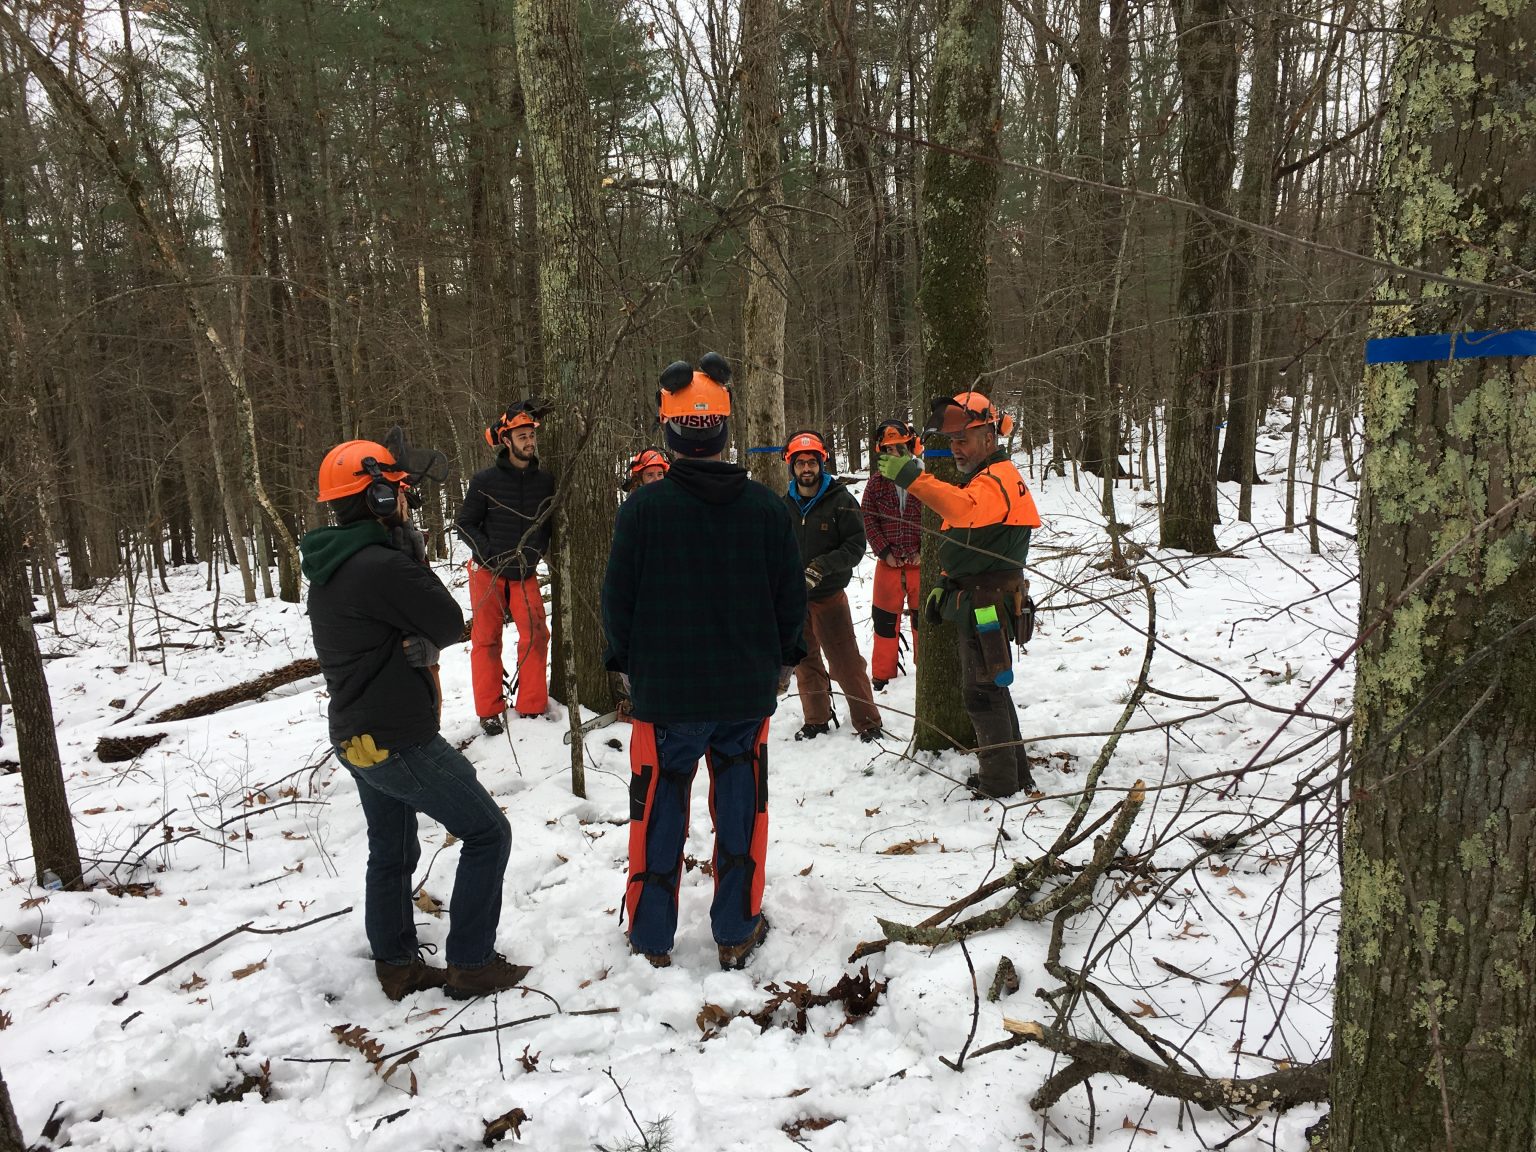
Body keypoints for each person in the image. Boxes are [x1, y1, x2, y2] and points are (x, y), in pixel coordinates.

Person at [302, 437, 528, 1001]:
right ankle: (472, 962)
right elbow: (452, 622)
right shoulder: (381, 565)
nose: (407, 503)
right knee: (487, 832)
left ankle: (397, 965)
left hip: (356, 736)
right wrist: (410, 557)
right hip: (398, 738)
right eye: (400, 493)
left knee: (394, 851)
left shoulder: (333, 563)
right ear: (379, 498)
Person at [602, 353, 806, 971]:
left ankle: (652, 934)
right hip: (742, 694)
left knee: (659, 807)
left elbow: (619, 601)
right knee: (741, 804)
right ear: (725, 427)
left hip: (668, 698)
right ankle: (735, 928)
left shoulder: (643, 511)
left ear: (668, 430)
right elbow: (789, 599)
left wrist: (626, 666)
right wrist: (784, 660)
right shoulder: (768, 510)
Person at [876, 391, 1041, 798]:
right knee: (992, 688)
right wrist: (946, 581)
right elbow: (972, 536)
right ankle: (1013, 774)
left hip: (987, 604)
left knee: (983, 693)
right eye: (951, 442)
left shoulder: (996, 480)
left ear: (989, 436)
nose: (956, 449)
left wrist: (912, 478)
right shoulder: (987, 479)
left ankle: (1000, 783)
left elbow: (963, 511)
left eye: (963, 440)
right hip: (978, 599)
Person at [456, 401, 555, 735]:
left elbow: (548, 524)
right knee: (486, 640)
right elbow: (465, 522)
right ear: (507, 441)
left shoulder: (545, 481)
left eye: (531, 436)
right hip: (487, 571)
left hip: (524, 571)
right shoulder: (485, 481)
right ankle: (489, 710)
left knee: (537, 634)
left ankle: (531, 706)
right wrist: (488, 554)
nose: (529, 442)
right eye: (522, 436)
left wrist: (536, 550)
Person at [782, 430, 885, 743]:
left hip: (828, 597)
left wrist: (821, 567)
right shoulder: (783, 503)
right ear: (792, 466)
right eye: (800, 463)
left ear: (821, 462)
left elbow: (855, 546)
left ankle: (868, 723)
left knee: (845, 662)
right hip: (795, 599)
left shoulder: (842, 500)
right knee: (805, 662)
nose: (806, 469)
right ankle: (816, 719)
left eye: (811, 462)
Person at [861, 420, 925, 691]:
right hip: (889, 564)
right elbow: (868, 519)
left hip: (920, 563)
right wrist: (884, 551)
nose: (895, 454)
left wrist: (925, 551)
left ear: (910, 447)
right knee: (885, 622)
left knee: (924, 621)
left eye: (900, 448)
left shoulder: (925, 480)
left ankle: (927, 668)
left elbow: (938, 518)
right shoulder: (876, 484)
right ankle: (882, 674)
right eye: (889, 449)